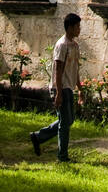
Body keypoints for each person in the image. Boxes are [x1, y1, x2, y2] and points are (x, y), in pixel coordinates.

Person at [30, 12, 82, 162]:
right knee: (65, 124)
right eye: (77, 26)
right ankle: (62, 156)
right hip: (60, 87)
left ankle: (38, 137)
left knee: (68, 120)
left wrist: (80, 89)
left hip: (68, 87)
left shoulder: (75, 45)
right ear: (70, 28)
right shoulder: (62, 45)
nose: (79, 29)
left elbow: (75, 69)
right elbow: (58, 70)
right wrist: (58, 92)